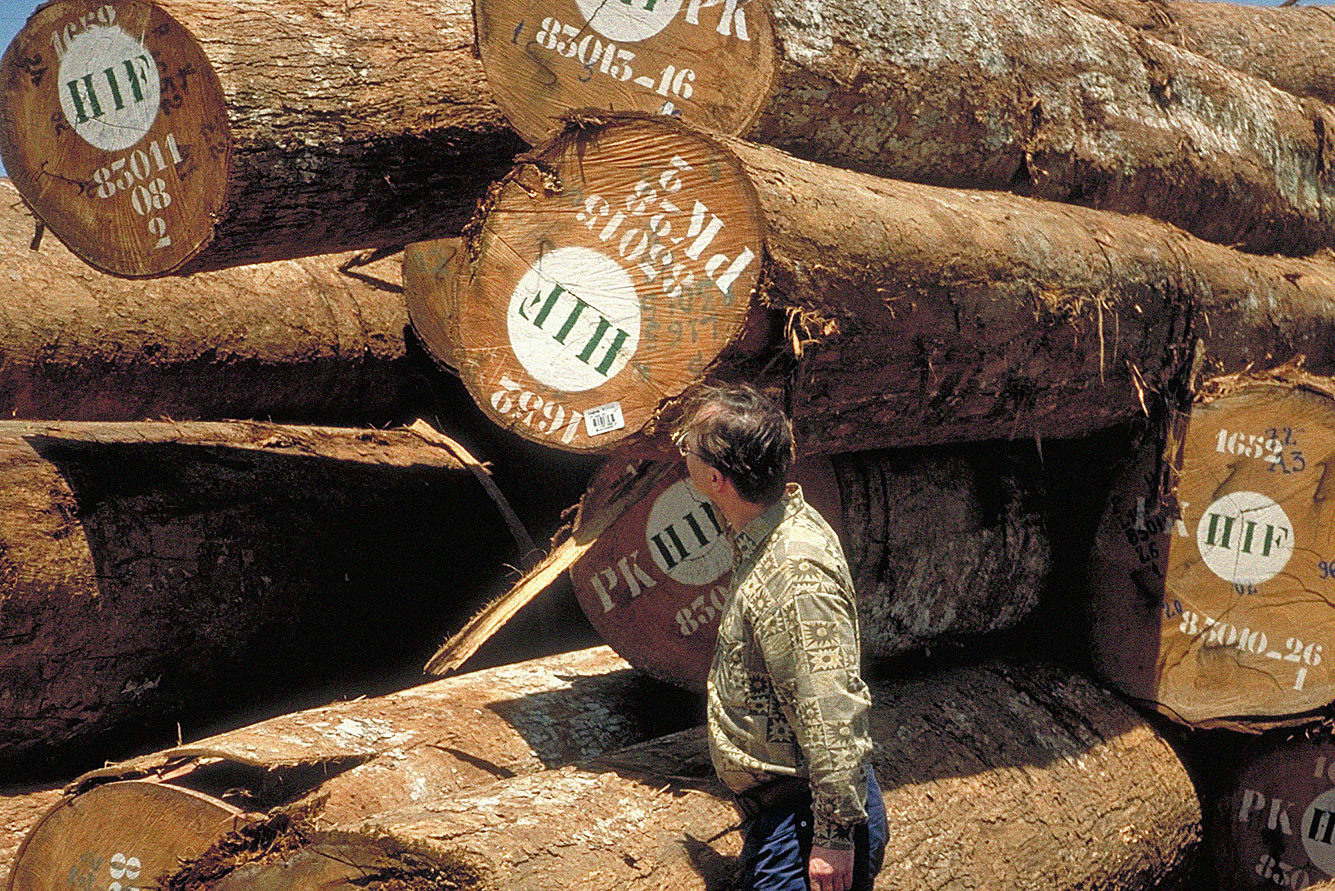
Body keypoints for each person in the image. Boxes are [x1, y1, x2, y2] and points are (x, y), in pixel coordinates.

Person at [673, 384, 887, 891]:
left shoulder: (792, 572)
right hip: (793, 815)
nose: (682, 451)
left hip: (804, 824)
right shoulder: (768, 531)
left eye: (688, 445)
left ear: (716, 479)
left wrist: (833, 839)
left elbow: (832, 708)